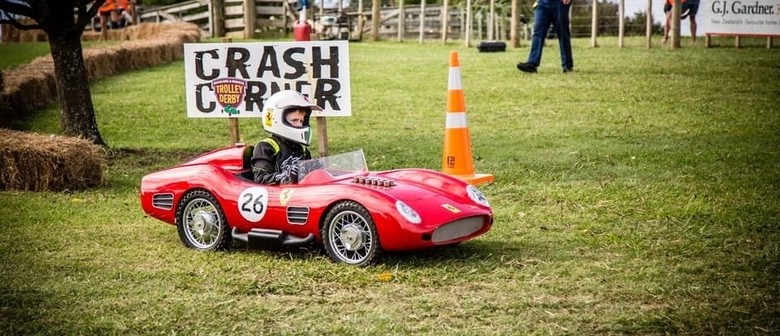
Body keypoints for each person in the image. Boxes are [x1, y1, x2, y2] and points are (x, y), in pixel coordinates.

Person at [251, 90, 322, 185]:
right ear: (276, 119)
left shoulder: (301, 149)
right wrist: (286, 177)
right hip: (277, 197)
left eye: (301, 121)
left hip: (299, 194)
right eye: (294, 120)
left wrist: (314, 168)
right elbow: (261, 179)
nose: (299, 125)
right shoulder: (266, 147)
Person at [516, 0, 574, 74]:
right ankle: (532, 64)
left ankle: (567, 66)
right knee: (537, 32)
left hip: (560, 3)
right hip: (542, 3)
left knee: (563, 33)